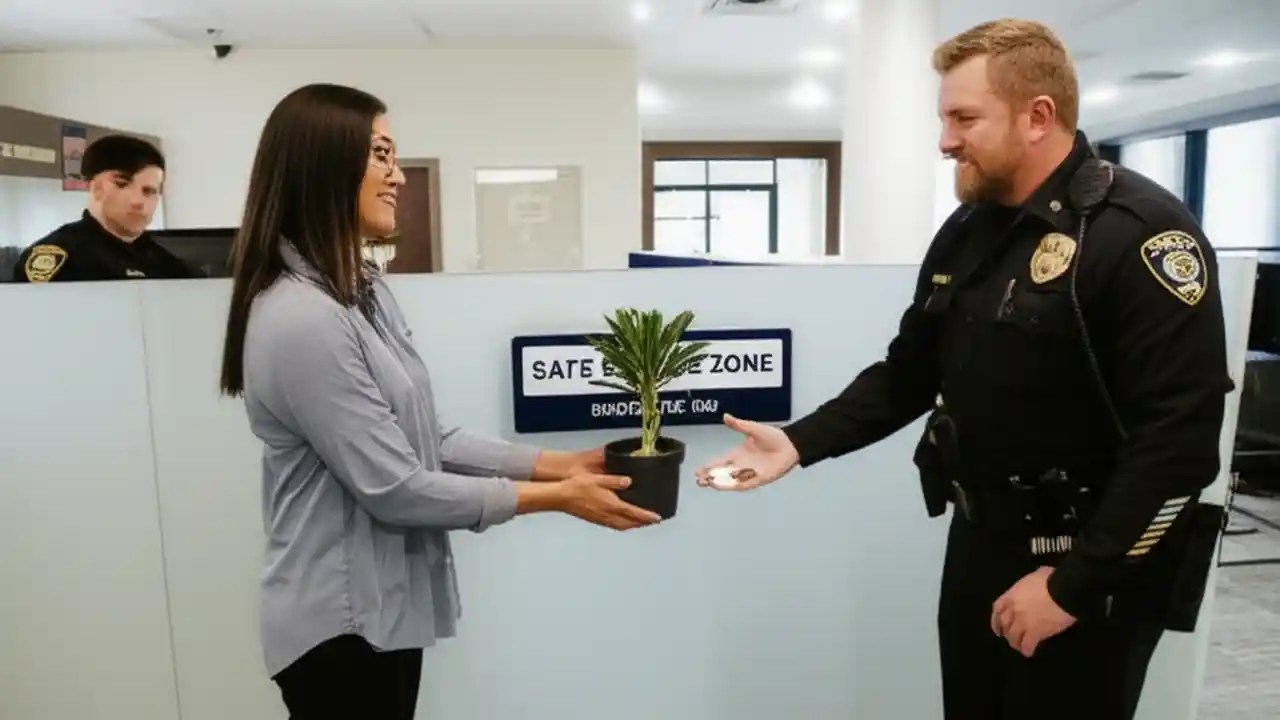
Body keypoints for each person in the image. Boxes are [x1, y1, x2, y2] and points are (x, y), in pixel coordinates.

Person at [695, 18, 1230, 720]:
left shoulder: (1138, 233)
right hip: (983, 541)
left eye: (964, 118)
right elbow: (911, 370)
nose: (945, 140)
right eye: (945, 118)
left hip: (1088, 563)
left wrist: (1071, 586)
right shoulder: (971, 228)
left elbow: (1179, 445)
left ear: (1038, 116)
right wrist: (799, 441)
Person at [217, 83, 661, 719]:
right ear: (324, 164)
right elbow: (396, 487)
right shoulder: (301, 318)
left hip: (385, 613)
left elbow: (429, 437)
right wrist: (557, 498)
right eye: (381, 154)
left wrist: (560, 465)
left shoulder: (362, 291)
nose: (398, 176)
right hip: (338, 625)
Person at [11, 134, 199, 282]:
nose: (138, 201)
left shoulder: (172, 268)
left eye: (149, 191)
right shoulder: (59, 259)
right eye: (122, 184)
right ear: (93, 186)